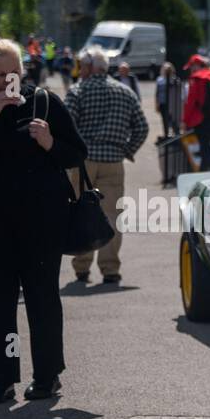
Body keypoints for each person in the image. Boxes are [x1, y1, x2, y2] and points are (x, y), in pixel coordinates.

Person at [0, 36, 88, 403]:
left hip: (41, 220)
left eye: (13, 71)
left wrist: (50, 142)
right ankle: (4, 377)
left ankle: (47, 376)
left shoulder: (45, 102)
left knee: (41, 298)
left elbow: (76, 153)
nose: (8, 80)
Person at [64, 45, 148, 285]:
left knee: (81, 213)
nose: (79, 71)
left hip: (84, 163)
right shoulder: (125, 92)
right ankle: (110, 269)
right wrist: (127, 149)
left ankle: (82, 267)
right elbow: (142, 127)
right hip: (114, 161)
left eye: (82, 66)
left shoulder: (78, 91)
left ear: (90, 67)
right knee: (111, 215)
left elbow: (67, 127)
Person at [182, 53, 210, 170]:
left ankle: (207, 171)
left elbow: (191, 102)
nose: (191, 70)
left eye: (192, 67)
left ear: (196, 65)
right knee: (206, 145)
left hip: (200, 119)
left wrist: (185, 121)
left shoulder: (196, 79)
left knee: (204, 147)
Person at [154, 61, 180, 138]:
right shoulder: (159, 80)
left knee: (173, 119)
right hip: (163, 103)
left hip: (173, 103)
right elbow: (157, 93)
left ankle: (176, 134)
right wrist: (157, 104)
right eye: (165, 69)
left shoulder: (175, 80)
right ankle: (166, 134)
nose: (167, 71)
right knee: (164, 119)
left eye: (169, 69)